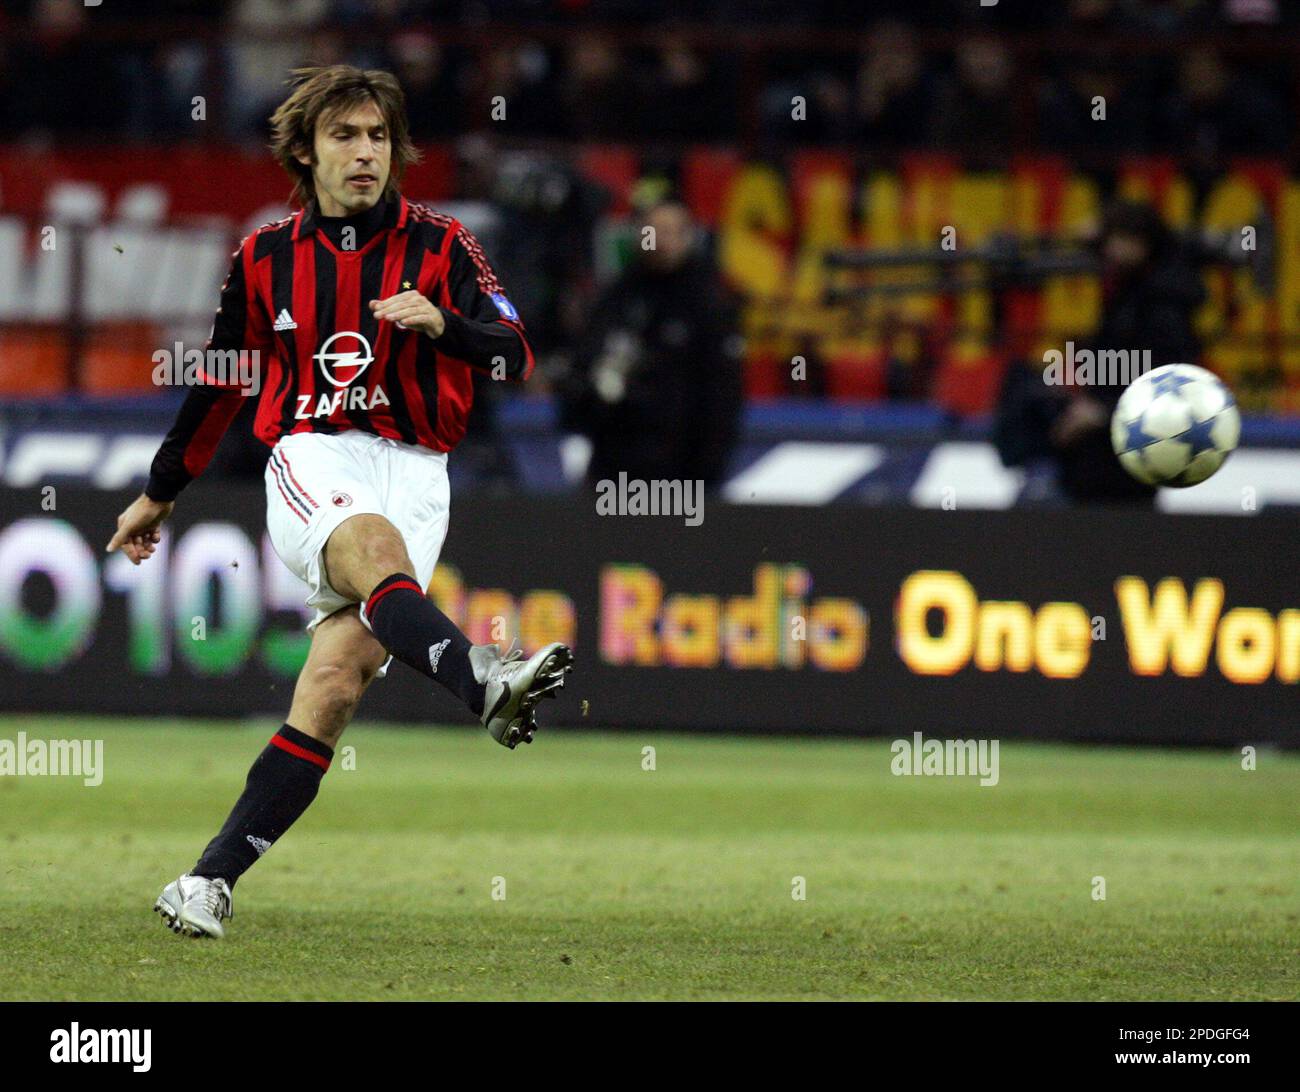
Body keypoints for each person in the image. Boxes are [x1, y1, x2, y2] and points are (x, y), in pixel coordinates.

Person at [105, 65, 573, 939]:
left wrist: (448, 327)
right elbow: (220, 383)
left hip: (420, 471)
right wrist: (160, 491)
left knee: (332, 683)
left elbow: (515, 352)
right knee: (373, 552)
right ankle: (481, 679)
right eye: (346, 136)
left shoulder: (444, 245)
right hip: (315, 453)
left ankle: (206, 882)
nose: (366, 153)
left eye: (379, 137)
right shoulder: (264, 256)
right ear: (305, 151)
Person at [995, 200, 1205, 503]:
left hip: (1127, 447)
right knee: (1024, 388)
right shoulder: (1131, 288)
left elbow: (1170, 380)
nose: (1111, 249)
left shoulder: (1163, 305)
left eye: (1121, 239)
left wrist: (1103, 411)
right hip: (1103, 430)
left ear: (1141, 243)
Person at [559, 198, 744, 489]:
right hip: (613, 464)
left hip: (681, 470)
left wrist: (708, 471)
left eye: (671, 232)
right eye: (653, 231)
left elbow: (722, 394)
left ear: (688, 238)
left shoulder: (708, 304)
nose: (661, 241)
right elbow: (584, 365)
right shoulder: (617, 297)